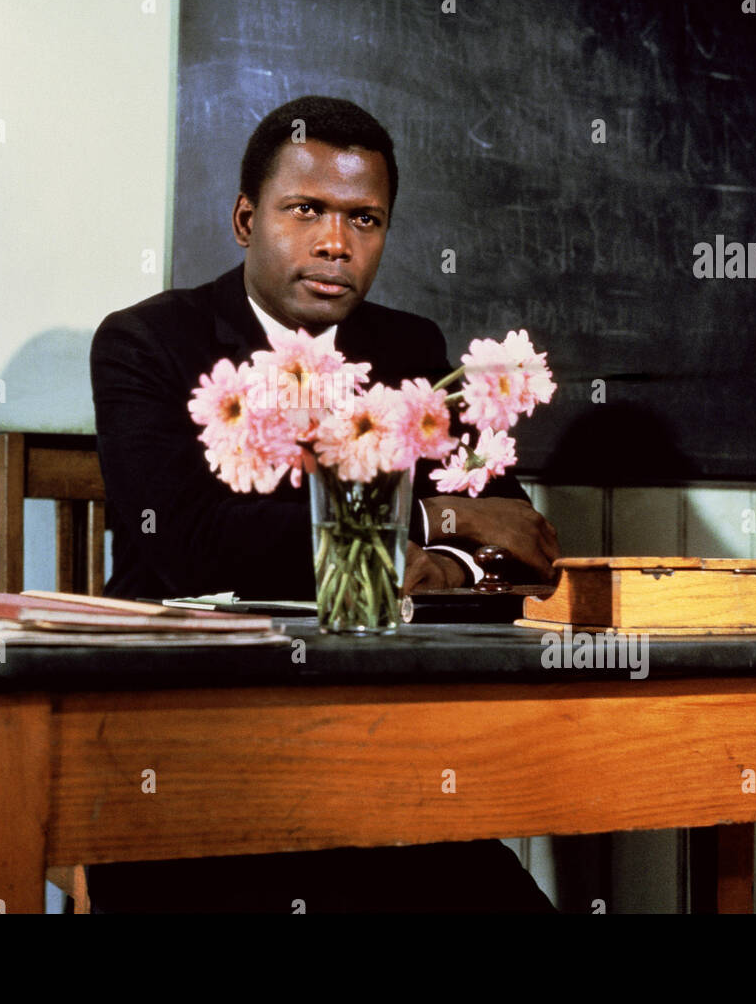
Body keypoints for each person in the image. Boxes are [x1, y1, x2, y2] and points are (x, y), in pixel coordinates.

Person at [86, 95, 560, 913]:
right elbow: (190, 543)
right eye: (305, 209)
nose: (336, 242)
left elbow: (517, 534)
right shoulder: (148, 342)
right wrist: (432, 521)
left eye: (364, 218)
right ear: (246, 219)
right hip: (184, 750)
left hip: (374, 753)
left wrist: (443, 564)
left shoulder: (409, 348)